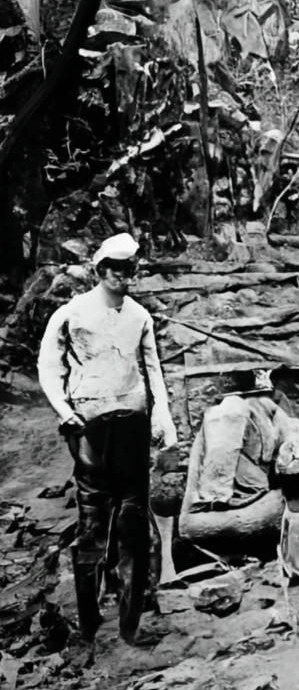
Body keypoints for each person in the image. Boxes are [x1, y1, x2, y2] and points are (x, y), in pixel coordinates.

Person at [37, 232, 177, 645]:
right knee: (93, 518)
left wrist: (162, 418)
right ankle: (88, 620)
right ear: (100, 271)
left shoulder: (139, 316)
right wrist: (66, 412)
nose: (121, 276)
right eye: (113, 269)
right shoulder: (72, 313)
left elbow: (153, 370)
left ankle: (131, 620)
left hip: (132, 421)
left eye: (128, 269)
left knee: (133, 516)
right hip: (89, 425)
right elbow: (49, 367)